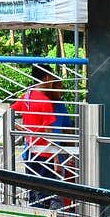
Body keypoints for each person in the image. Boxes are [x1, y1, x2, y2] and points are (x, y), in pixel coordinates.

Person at [14, 64, 67, 207]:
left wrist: (25, 130)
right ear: (48, 77)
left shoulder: (26, 96)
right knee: (44, 195)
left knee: (34, 192)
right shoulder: (45, 102)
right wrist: (57, 159)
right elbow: (49, 133)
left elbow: (9, 112)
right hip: (45, 155)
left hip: (31, 151)